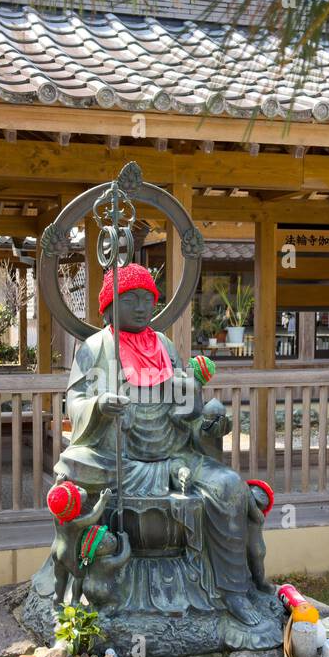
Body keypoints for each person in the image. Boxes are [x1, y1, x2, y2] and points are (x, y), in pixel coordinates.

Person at [53, 263, 262, 625]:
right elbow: (74, 401)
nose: (141, 307)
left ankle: (234, 591)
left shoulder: (163, 345)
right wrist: (99, 406)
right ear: (109, 305)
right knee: (75, 466)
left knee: (229, 487)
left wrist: (207, 416)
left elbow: (186, 407)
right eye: (131, 298)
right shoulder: (93, 348)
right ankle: (92, 589)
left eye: (148, 299)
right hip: (119, 457)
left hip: (174, 453)